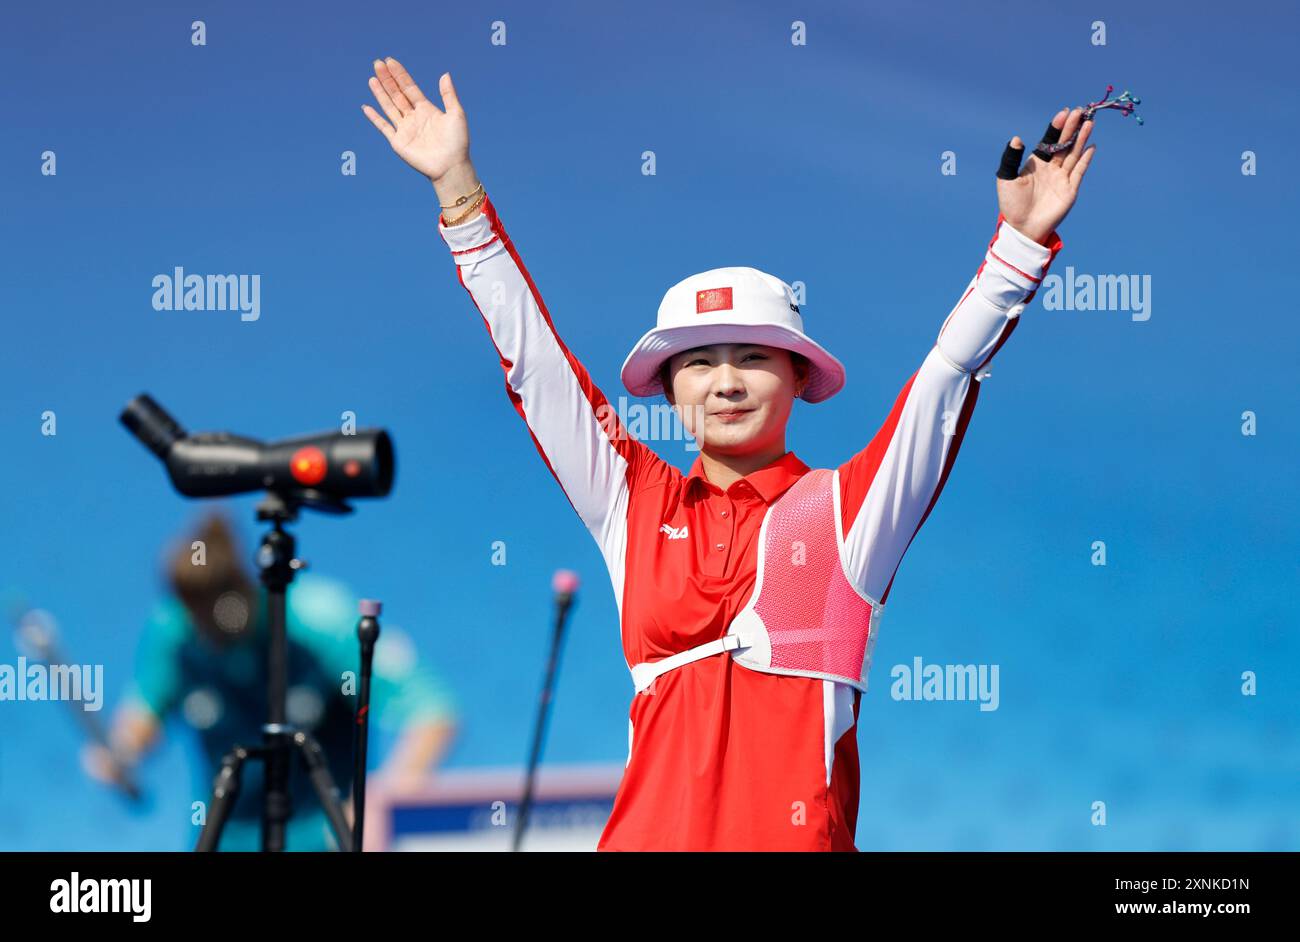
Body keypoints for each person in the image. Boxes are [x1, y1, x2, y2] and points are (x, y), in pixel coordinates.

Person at [362, 58, 1094, 850]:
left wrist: (1018, 245)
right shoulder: (633, 502)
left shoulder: (850, 511)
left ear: (800, 377)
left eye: (753, 357)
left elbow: (946, 380)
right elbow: (535, 368)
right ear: (670, 390)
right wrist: (459, 195)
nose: (726, 382)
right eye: (699, 363)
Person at [83, 511, 460, 851]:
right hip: (225, 838)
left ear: (244, 588)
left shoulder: (319, 620)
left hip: (325, 836)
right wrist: (121, 751)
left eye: (214, 615)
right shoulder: (174, 629)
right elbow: (145, 712)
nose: (205, 631)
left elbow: (431, 713)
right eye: (193, 616)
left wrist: (375, 806)